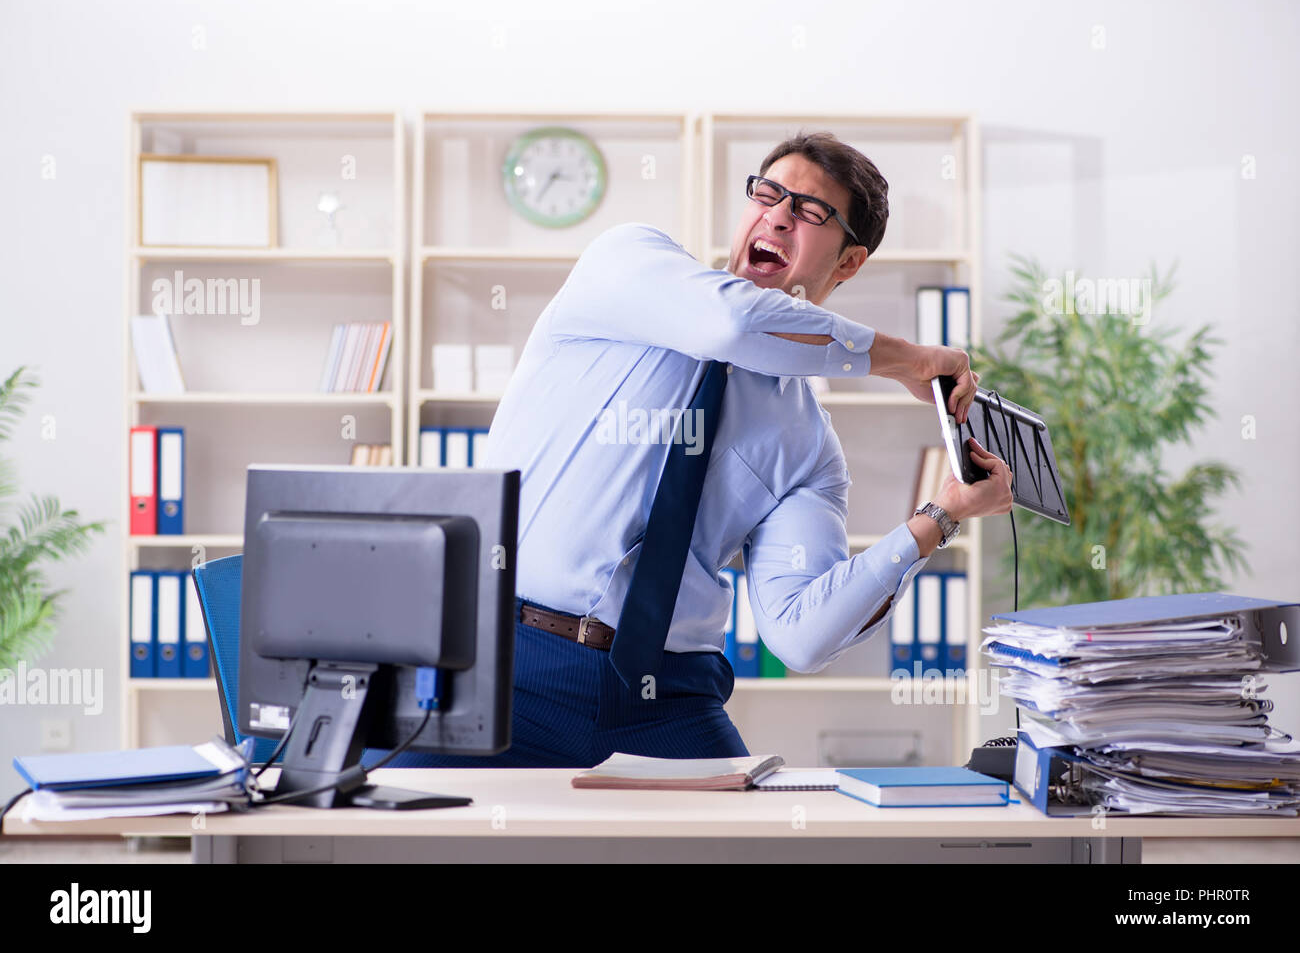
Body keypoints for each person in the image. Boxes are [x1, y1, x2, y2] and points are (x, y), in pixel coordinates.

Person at [411, 130, 1013, 767]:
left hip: (667, 700)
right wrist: (909, 360)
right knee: (376, 834)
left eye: (811, 212)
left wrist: (939, 518)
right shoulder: (630, 265)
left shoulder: (808, 448)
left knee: (752, 852)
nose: (777, 215)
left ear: (848, 263)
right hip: (503, 662)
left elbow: (801, 637)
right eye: (768, 193)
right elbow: (732, 324)